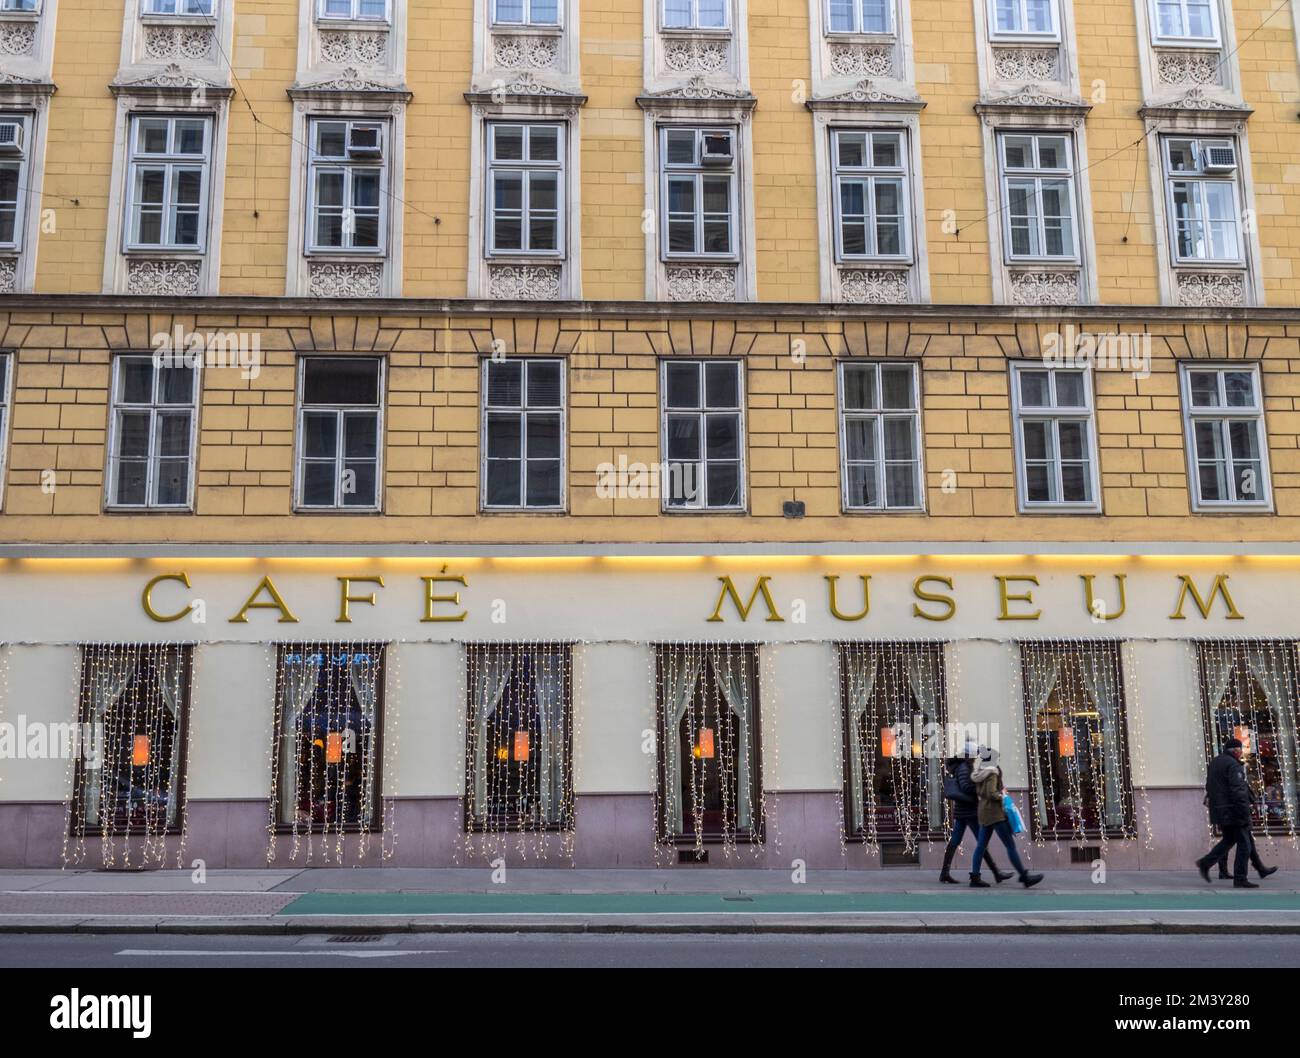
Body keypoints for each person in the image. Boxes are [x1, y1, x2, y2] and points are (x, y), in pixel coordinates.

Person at [968, 746, 1044, 889]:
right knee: (1010, 846)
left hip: (984, 812)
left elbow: (981, 793)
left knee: (981, 846)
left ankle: (975, 876)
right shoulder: (992, 773)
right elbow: (991, 793)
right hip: (996, 814)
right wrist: (1001, 794)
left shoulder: (978, 774)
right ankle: (1024, 876)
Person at [1197, 738, 1264, 888]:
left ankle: (1205, 863)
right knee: (1245, 844)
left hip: (1220, 810)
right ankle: (1240, 878)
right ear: (1235, 750)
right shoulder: (1233, 765)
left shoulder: (1215, 762)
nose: (1241, 752)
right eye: (1240, 749)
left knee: (1228, 840)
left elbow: (1210, 786)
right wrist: (1243, 811)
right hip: (1233, 810)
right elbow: (1238, 790)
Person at [940, 751, 1012, 884]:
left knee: (956, 841)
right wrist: (981, 787)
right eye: (974, 755)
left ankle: (945, 873)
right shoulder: (963, 768)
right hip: (968, 811)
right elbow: (966, 787)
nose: (976, 758)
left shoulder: (965, 767)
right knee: (981, 843)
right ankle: (993, 873)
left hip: (963, 810)